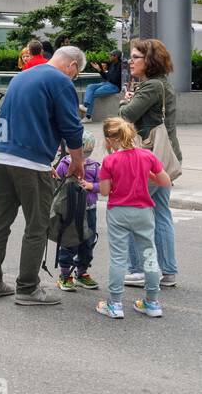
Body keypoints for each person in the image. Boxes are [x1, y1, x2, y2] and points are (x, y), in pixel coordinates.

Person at [0, 45, 86, 306]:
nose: (73, 78)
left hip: (2, 155)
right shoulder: (60, 81)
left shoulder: (22, 76)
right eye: (76, 74)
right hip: (30, 162)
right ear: (72, 66)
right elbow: (71, 126)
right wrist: (77, 161)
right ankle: (28, 288)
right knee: (37, 226)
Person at [95, 117, 172, 319]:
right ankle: (152, 302)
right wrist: (150, 176)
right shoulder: (147, 156)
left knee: (119, 258)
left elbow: (104, 191)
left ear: (109, 139)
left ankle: (115, 304)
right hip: (143, 211)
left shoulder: (109, 161)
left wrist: (112, 181)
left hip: (118, 211)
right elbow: (166, 181)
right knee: (149, 255)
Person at [119, 38, 180, 290]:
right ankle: (167, 271)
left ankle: (140, 270)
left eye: (135, 57)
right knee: (161, 213)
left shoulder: (151, 87)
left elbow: (124, 117)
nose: (130, 61)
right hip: (166, 156)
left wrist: (125, 101)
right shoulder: (164, 85)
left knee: (134, 211)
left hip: (148, 159)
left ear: (149, 61)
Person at [54, 132, 100, 292]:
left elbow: (102, 185)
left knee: (88, 242)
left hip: (90, 210)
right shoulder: (65, 164)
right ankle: (65, 275)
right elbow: (57, 184)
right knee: (69, 241)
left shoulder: (94, 166)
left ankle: (82, 272)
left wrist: (91, 186)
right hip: (71, 211)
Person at [81, 50, 122, 120]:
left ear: (116, 56)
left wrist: (106, 74)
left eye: (111, 55)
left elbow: (114, 79)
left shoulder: (121, 66)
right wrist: (99, 70)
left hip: (115, 87)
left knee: (94, 93)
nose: (110, 57)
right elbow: (107, 77)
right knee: (90, 86)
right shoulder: (112, 64)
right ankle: (85, 106)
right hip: (107, 83)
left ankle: (88, 116)